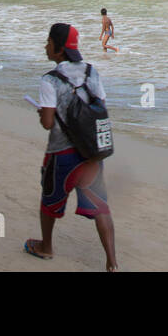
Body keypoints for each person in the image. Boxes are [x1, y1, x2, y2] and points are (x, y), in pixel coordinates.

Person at [25, 23, 117, 271]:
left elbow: (47, 123)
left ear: (57, 49)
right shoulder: (91, 72)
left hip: (61, 153)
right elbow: (101, 108)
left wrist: (43, 113)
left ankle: (46, 247)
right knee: (101, 206)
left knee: (50, 201)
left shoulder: (49, 80)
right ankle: (111, 262)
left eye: (48, 42)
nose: (46, 46)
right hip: (91, 153)